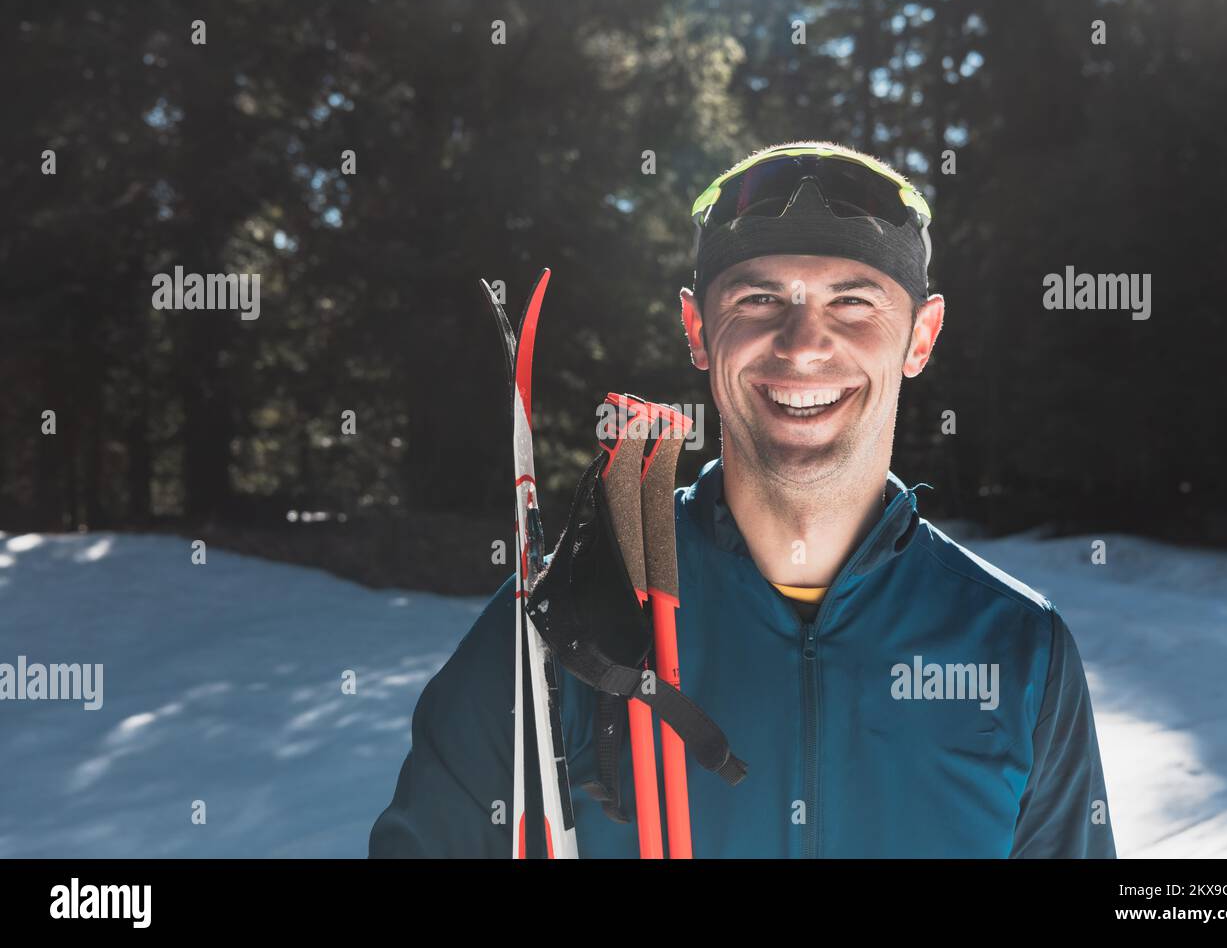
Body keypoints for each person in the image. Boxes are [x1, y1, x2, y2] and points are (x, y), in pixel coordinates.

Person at [369, 140, 1117, 858]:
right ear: (697, 328)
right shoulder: (562, 619)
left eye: (853, 302)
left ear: (921, 337)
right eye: (759, 297)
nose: (801, 345)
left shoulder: (1019, 650)